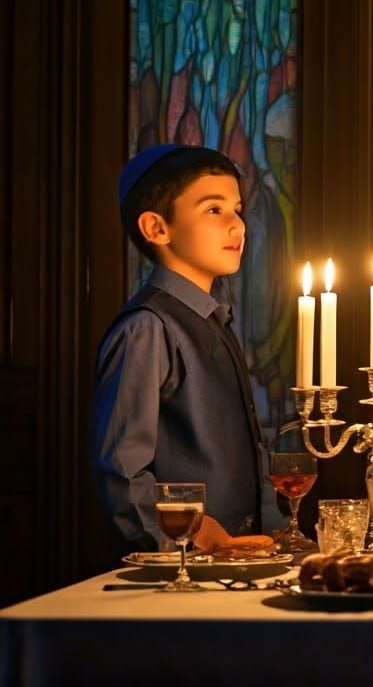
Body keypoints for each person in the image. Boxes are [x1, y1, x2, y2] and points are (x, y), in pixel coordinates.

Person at [91, 144, 276, 551]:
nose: (237, 226)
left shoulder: (214, 317)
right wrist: (191, 532)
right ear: (157, 228)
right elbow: (121, 470)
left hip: (234, 559)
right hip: (182, 566)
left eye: (237, 209)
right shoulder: (147, 327)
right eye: (214, 209)